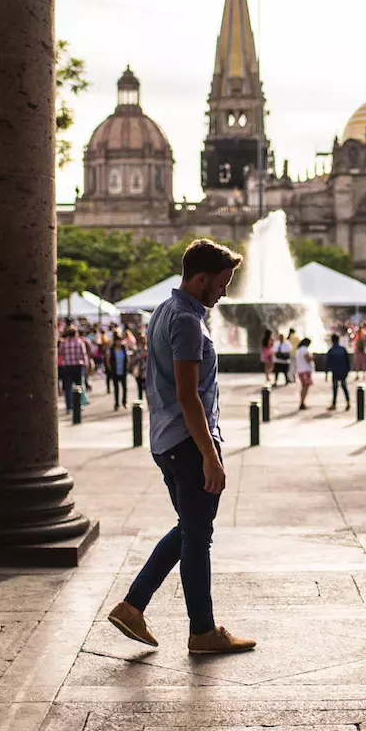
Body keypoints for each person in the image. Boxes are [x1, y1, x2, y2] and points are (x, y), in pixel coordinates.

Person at [106, 238, 255, 654]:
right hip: (188, 442)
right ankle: (202, 631)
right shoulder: (187, 321)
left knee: (191, 529)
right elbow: (189, 395)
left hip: (167, 440)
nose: (225, 292)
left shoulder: (164, 312)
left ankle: (133, 606)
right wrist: (211, 455)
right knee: (197, 536)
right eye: (222, 283)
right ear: (201, 278)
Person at [58, 327, 91, 411]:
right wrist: (86, 366)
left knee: (68, 388)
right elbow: (84, 355)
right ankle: (78, 405)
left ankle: (69, 407)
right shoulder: (79, 343)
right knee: (79, 386)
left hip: (67, 367)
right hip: (77, 366)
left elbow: (60, 353)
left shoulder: (64, 343)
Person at [325, 334, 351, 412]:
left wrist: (326, 374)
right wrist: (348, 371)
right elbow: (348, 361)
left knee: (335, 388)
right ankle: (348, 403)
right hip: (343, 371)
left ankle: (334, 404)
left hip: (335, 372)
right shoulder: (343, 349)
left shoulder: (331, 350)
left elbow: (327, 363)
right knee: (344, 387)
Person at [106, 335, 130, 410]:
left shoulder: (123, 348)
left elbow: (127, 358)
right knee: (116, 388)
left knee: (124, 387)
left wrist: (127, 367)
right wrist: (110, 368)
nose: (119, 342)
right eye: (117, 341)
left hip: (123, 370)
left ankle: (124, 402)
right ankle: (116, 403)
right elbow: (108, 359)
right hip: (115, 370)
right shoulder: (111, 349)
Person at [293, 337, 315, 410]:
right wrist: (312, 357)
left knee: (303, 386)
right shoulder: (304, 350)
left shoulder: (298, 350)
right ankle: (302, 402)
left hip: (300, 370)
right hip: (305, 370)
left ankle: (302, 402)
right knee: (305, 387)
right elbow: (308, 359)